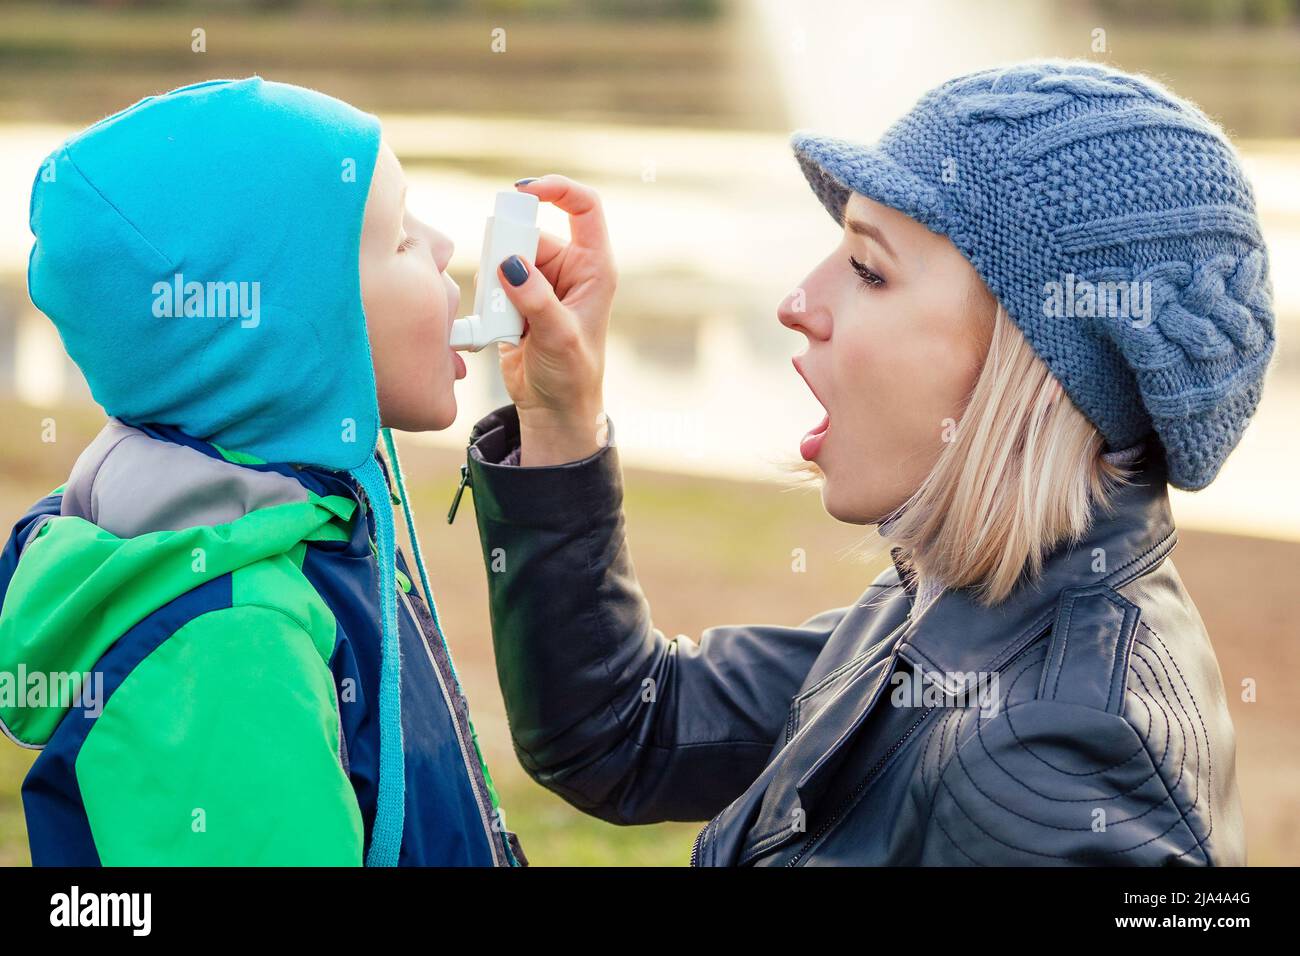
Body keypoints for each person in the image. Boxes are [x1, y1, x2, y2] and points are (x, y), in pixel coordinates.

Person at [459, 60, 1270, 865]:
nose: (795, 304)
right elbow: (625, 730)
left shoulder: (1056, 761)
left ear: (1031, 370)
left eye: (868, 269)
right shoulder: (952, 606)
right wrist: (560, 422)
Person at [0, 76, 524, 866]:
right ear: (286, 334)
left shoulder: (308, 528)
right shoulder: (231, 646)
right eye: (402, 240)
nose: (446, 247)